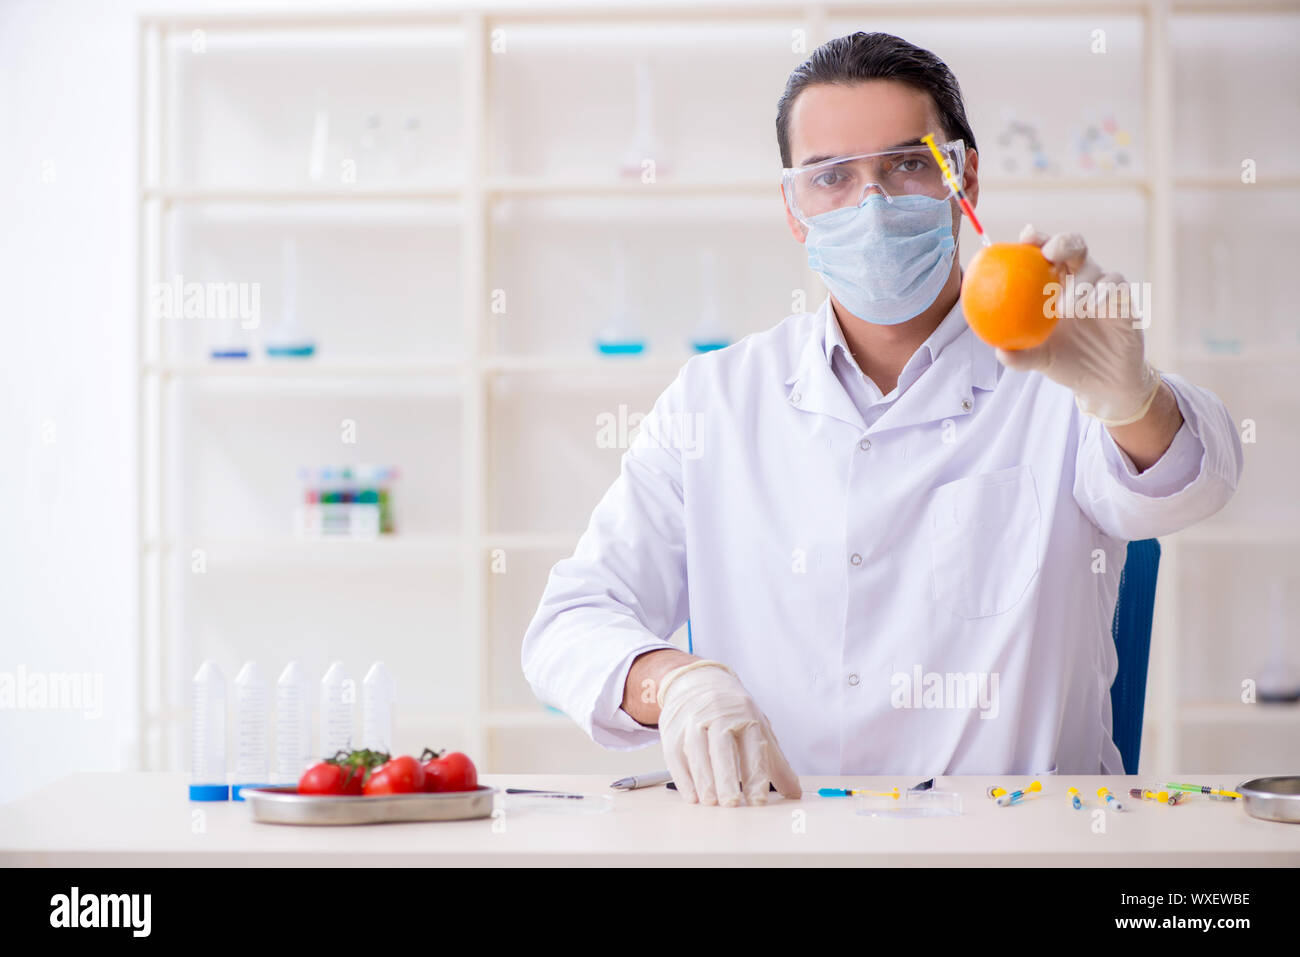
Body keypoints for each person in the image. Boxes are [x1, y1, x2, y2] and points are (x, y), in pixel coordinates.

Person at [521, 32, 1243, 806]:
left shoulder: (1061, 377)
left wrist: (1131, 399)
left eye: (906, 164)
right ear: (795, 208)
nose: (871, 203)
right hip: (774, 839)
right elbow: (569, 623)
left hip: (1020, 845)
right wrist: (678, 682)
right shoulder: (715, 400)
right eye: (832, 177)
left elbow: (1192, 484)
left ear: (964, 176)